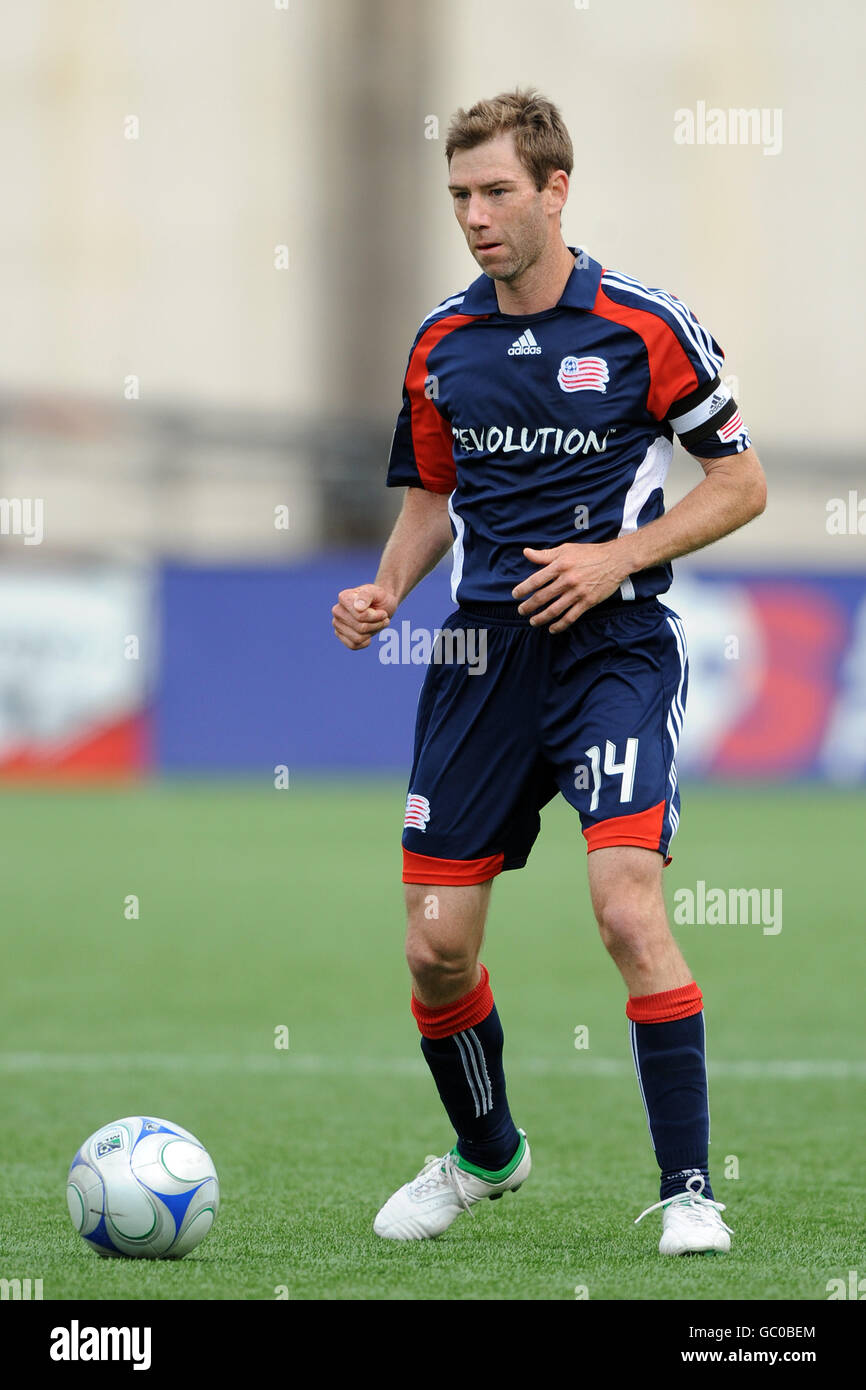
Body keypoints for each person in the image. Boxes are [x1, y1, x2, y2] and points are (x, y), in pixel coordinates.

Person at [331, 88, 766, 1254]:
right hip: (480, 659)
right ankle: (484, 1153)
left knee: (625, 909)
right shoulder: (440, 342)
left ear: (554, 189)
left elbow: (740, 482)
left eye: (495, 193)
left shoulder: (642, 323)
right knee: (434, 945)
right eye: (459, 196)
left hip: (612, 649)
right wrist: (385, 590)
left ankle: (688, 1190)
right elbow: (432, 495)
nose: (473, 216)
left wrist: (613, 556)